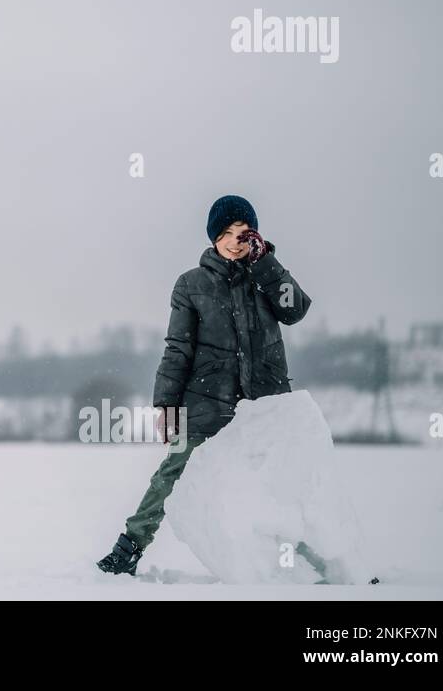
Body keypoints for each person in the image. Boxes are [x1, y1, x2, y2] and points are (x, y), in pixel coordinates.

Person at [96, 194, 312, 576]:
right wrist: (166, 404)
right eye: (226, 233)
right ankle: (126, 551)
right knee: (169, 476)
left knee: (286, 487)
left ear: (255, 237)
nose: (234, 241)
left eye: (243, 233)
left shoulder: (265, 278)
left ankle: (337, 566)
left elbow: (295, 309)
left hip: (264, 403)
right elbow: (177, 349)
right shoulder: (190, 285)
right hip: (205, 402)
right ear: (213, 237)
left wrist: (267, 264)